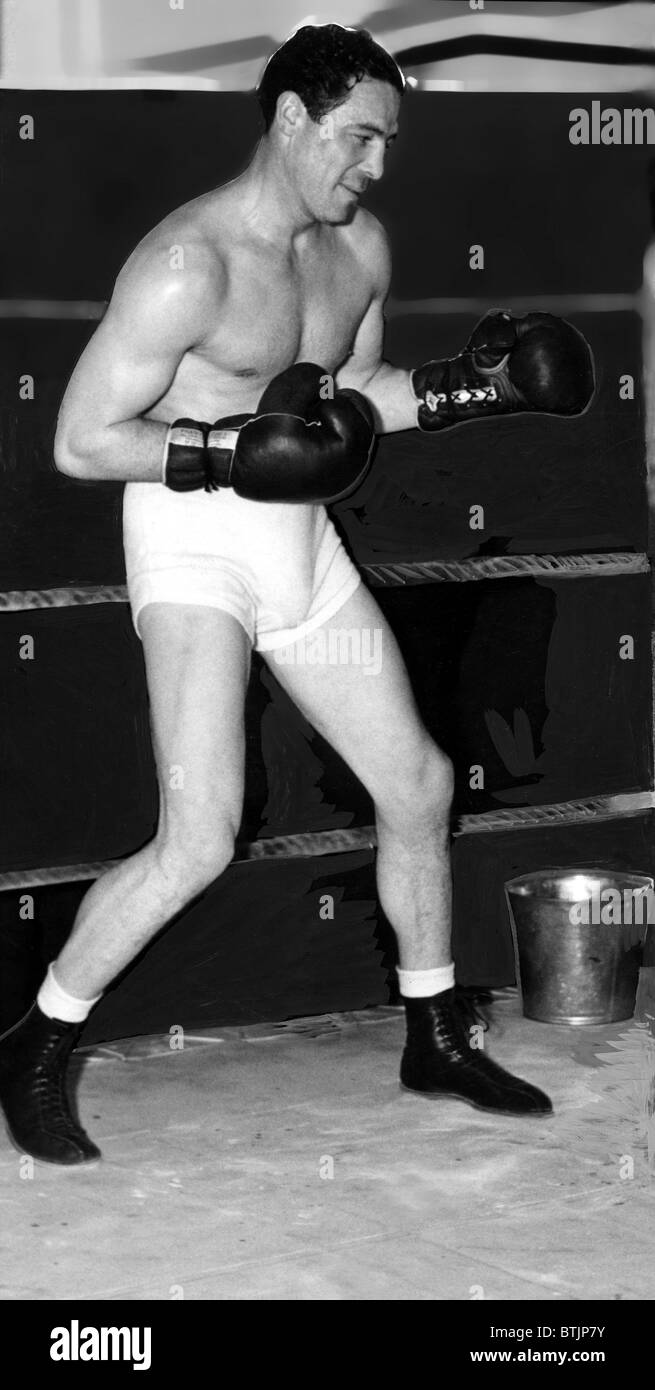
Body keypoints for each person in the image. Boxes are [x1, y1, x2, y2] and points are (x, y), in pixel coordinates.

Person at [0, 25, 594, 1165]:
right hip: (192, 549)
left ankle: (432, 1031)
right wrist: (226, 453)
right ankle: (35, 1038)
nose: (374, 165)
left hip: (296, 541)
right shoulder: (189, 263)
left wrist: (479, 390)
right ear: (289, 119)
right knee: (200, 833)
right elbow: (79, 441)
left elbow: (357, 387)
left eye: (386, 141)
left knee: (416, 783)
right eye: (358, 137)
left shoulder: (357, 247)